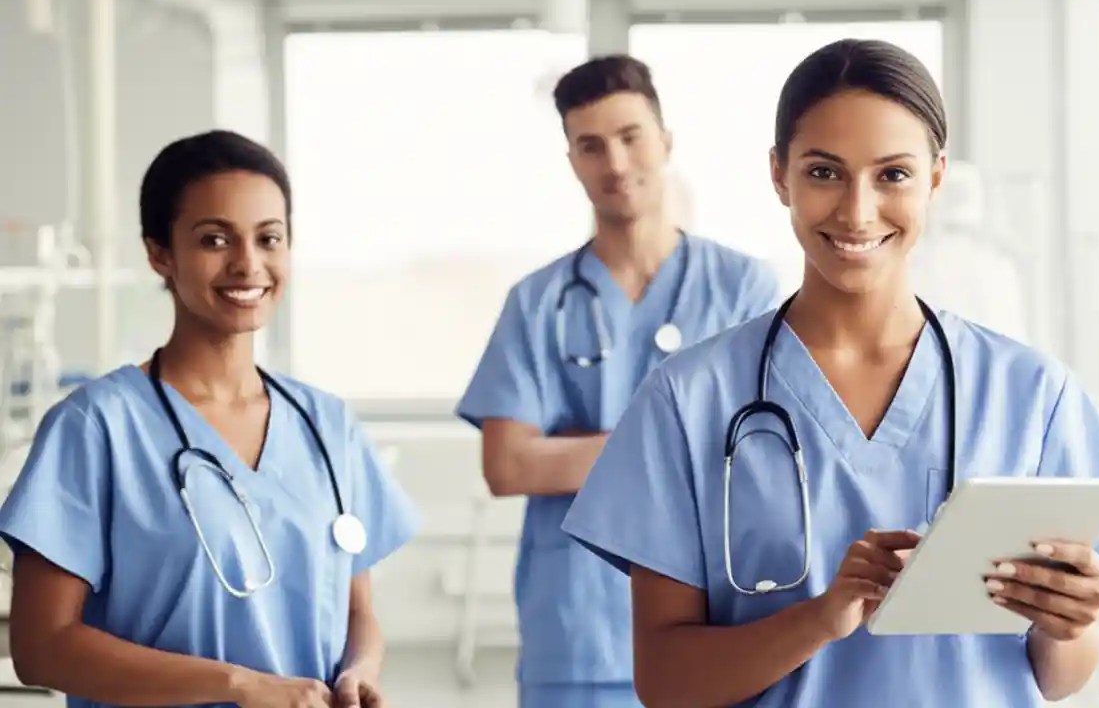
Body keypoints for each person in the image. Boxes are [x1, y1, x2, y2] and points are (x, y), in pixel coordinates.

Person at [561, 38, 1099, 707]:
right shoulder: (688, 399)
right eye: (824, 172)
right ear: (778, 175)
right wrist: (820, 619)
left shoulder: (1030, 394)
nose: (857, 211)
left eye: (893, 175)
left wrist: (1070, 625)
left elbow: (1059, 677)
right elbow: (667, 683)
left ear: (936, 177)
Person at [0, 130, 421, 708]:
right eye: (215, 239)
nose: (248, 264)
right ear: (159, 253)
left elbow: (357, 612)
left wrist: (359, 673)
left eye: (269, 238)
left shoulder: (326, 424)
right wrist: (239, 686)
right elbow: (42, 646)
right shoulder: (96, 427)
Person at [455, 54, 779, 707]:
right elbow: (509, 465)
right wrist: (680, 445)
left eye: (631, 137)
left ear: (665, 142)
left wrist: (574, 450)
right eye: (591, 146)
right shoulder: (537, 301)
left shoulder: (745, 287)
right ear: (572, 160)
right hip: (576, 630)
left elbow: (758, 458)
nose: (616, 162)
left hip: (714, 621)